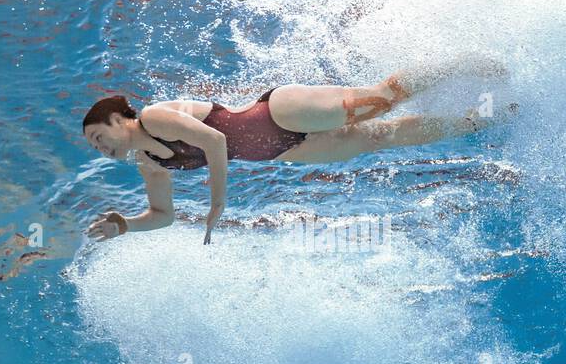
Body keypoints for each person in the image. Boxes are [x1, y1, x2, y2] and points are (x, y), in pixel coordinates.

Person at [81, 55, 511, 243]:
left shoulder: (155, 116)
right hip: (280, 151)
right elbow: (164, 216)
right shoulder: (150, 162)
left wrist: (217, 202)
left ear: (119, 120)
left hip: (279, 114)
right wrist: (126, 226)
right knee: (383, 137)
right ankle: (479, 118)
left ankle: (463, 64)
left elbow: (214, 140)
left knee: (378, 102)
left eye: (99, 137)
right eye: (94, 147)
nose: (100, 148)